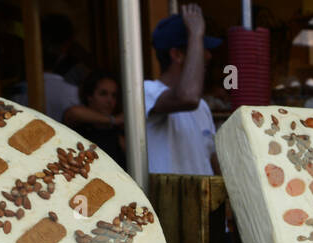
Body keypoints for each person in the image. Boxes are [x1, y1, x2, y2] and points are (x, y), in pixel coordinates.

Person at [145, 5, 222, 175]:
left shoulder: (202, 106)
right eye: (201, 48)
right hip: (167, 201)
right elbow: (187, 97)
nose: (208, 56)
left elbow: (212, 159)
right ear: (177, 55)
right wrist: (195, 34)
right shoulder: (147, 92)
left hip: (203, 200)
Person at [65, 71, 126, 167]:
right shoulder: (79, 123)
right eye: (103, 94)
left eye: (114, 95)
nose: (110, 100)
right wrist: (113, 120)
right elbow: (73, 112)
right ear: (89, 97)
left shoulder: (117, 132)